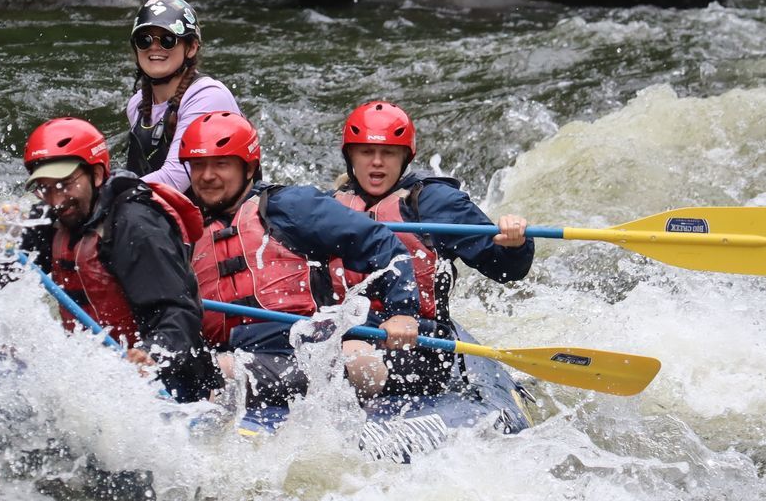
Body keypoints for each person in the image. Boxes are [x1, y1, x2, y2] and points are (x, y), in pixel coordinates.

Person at [178, 109, 421, 404]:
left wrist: (403, 312)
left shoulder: (290, 207)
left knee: (362, 364)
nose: (207, 176)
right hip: (227, 356)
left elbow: (379, 243)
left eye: (221, 165)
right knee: (206, 372)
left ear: (249, 168)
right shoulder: (181, 229)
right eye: (198, 166)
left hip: (303, 350)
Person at [332, 100, 533, 394]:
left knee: (345, 361)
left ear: (404, 158)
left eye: (388, 153)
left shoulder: (436, 203)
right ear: (350, 156)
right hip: (347, 332)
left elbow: (505, 269)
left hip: (420, 347)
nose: (376, 161)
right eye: (366, 152)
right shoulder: (331, 206)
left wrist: (515, 244)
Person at [17, 116, 216, 401]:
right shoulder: (52, 218)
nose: (56, 199)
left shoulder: (136, 226)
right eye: (45, 188)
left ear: (96, 175)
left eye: (64, 184)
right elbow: (5, 280)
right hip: (96, 377)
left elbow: (179, 312)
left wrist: (152, 353)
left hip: (169, 385)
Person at [121, 0, 240, 192]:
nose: (154, 47)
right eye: (144, 40)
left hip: (217, 215)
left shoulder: (207, 97)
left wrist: (110, 194)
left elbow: (176, 177)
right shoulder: (137, 105)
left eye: (168, 40)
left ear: (191, 47)